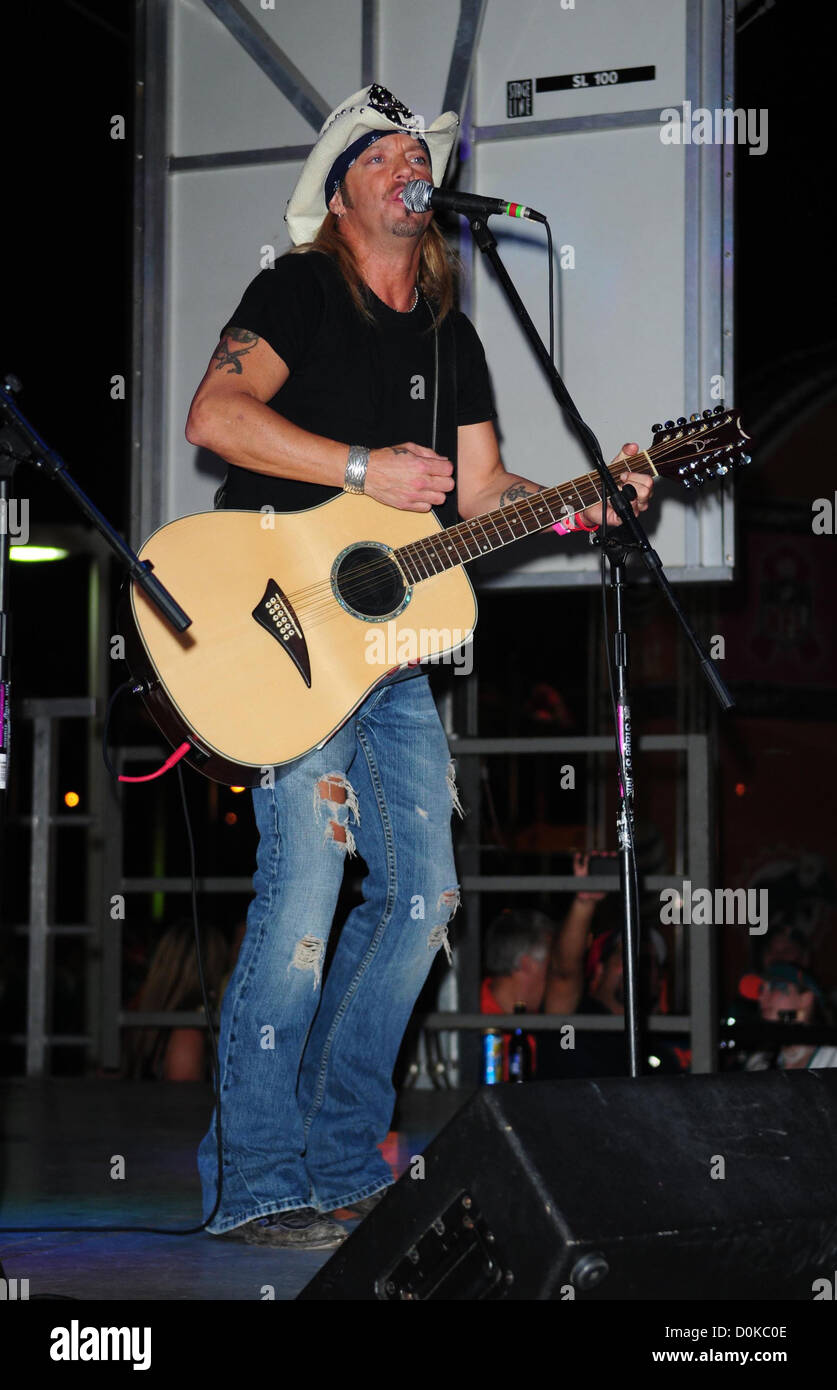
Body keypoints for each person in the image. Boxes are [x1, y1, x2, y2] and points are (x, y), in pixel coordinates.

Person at [185, 83, 654, 1249]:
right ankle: (252, 1175)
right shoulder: (295, 291)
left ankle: (342, 1158)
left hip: (398, 653)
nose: (412, 163)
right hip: (283, 638)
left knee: (423, 900)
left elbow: (487, 494)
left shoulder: (456, 334)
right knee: (302, 895)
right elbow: (214, 415)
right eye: (386, 150)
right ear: (341, 189)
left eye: (420, 150)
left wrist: (587, 499)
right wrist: (357, 471)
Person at [739, 963, 837, 1071]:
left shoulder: (832, 1057)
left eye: (775, 986)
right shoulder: (758, 1061)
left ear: (806, 999)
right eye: (761, 989)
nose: (761, 997)